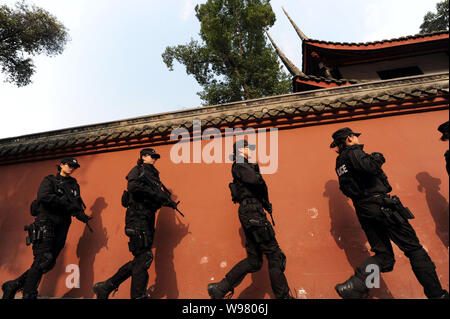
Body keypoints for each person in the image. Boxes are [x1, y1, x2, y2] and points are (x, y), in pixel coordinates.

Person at [330, 127, 449, 299]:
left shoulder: (340, 162)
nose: (357, 139)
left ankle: (355, 285)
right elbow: (369, 167)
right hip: (381, 206)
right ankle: (437, 295)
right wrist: (378, 158)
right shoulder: (354, 152)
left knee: (384, 257)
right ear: (349, 139)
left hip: (364, 210)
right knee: (414, 250)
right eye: (355, 136)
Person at [207, 139, 292, 299]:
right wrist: (257, 171)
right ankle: (284, 297)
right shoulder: (240, 164)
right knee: (274, 254)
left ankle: (219, 289)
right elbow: (255, 181)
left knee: (254, 261)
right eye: (248, 148)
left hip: (251, 212)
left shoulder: (244, 165)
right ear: (240, 150)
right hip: (252, 212)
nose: (251, 150)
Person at [93, 148, 178, 299]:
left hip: (147, 218)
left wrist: (166, 201)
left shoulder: (155, 177)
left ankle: (106, 287)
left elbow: (153, 198)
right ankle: (137, 296)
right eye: (152, 156)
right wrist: (156, 193)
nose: (154, 159)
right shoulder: (137, 170)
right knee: (144, 257)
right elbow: (133, 187)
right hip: (137, 217)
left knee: (140, 259)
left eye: (155, 157)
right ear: (143, 157)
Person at [1, 157, 91, 299]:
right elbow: (44, 197)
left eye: (74, 167)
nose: (72, 168)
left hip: (63, 224)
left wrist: (82, 216)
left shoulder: (74, 185)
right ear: (61, 165)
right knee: (43, 258)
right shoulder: (49, 181)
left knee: (48, 263)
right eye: (69, 165)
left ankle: (13, 285)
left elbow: (76, 206)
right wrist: (66, 204)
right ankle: (29, 294)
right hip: (46, 221)